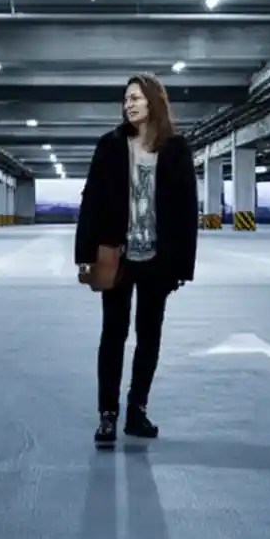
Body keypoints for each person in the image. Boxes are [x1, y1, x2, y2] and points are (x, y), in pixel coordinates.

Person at [75, 73, 199, 447]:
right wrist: (84, 255)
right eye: (126, 99)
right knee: (113, 334)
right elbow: (91, 200)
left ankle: (136, 410)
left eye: (137, 98)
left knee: (149, 337)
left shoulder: (176, 148)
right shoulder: (110, 145)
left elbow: (185, 211)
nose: (129, 104)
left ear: (153, 102)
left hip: (158, 260)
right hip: (117, 255)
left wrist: (182, 266)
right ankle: (107, 415)